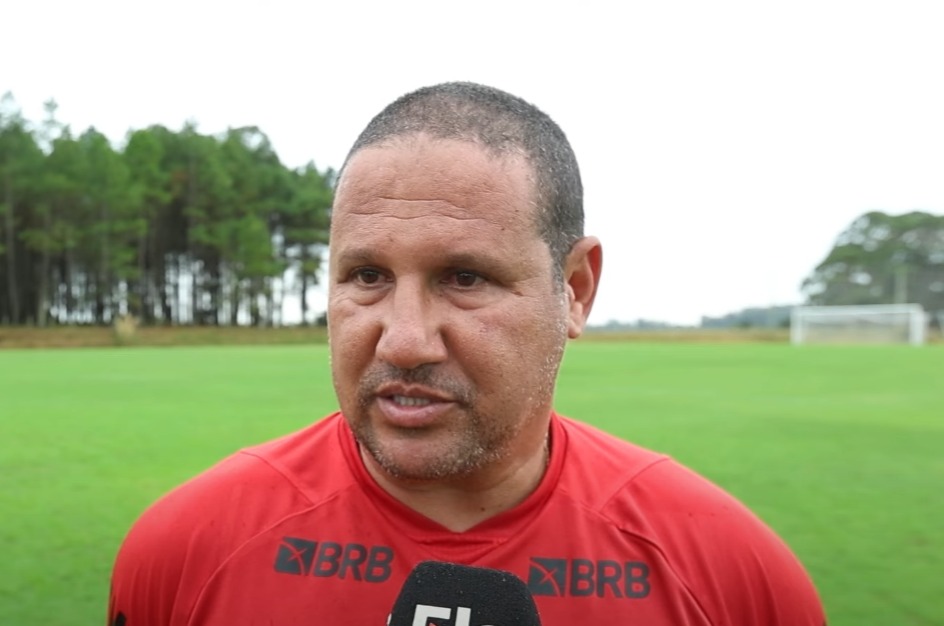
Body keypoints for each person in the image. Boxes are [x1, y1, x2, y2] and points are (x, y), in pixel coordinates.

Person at [108, 82, 826, 626]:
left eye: (465, 278)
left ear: (574, 289)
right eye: (367, 276)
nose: (405, 340)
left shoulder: (735, 576)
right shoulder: (183, 550)